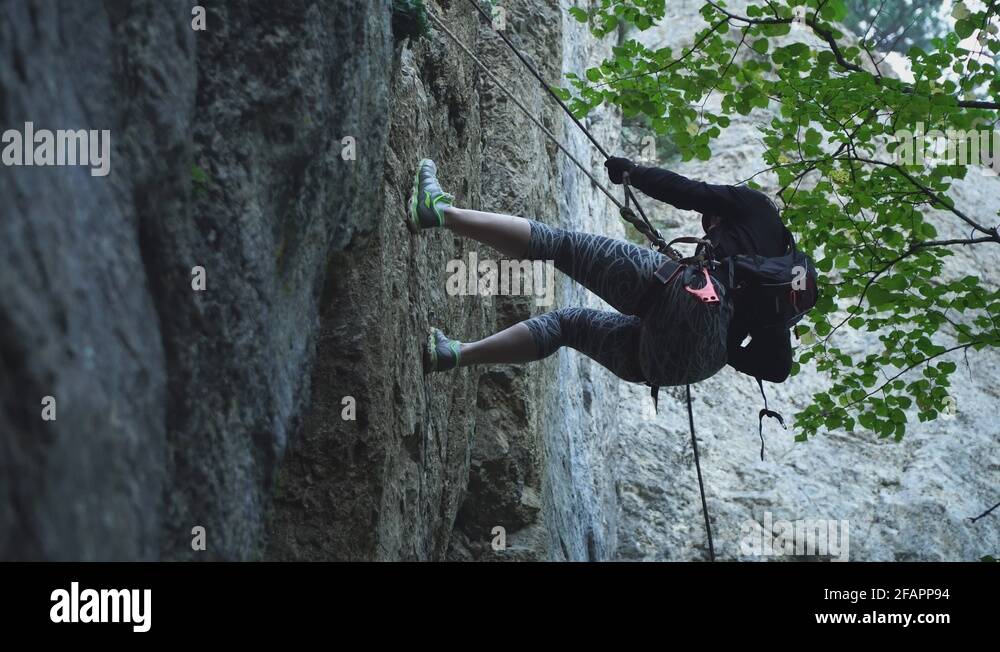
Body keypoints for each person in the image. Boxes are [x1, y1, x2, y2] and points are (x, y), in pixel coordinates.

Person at [406, 156, 793, 388]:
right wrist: (724, 346)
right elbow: (777, 369)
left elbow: (688, 191)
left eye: (711, 225)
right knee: (566, 326)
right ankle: (452, 355)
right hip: (688, 365)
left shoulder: (755, 205)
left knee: (558, 246)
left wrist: (633, 173)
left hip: (690, 296)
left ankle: (438, 212)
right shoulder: (782, 280)